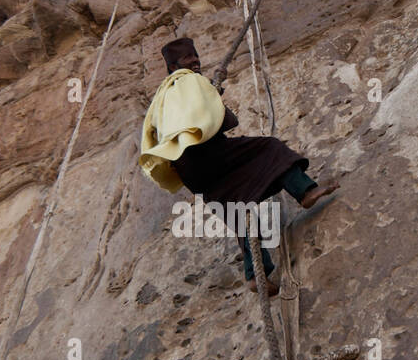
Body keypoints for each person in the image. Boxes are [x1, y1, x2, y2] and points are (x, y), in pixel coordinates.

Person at [139, 36, 338, 293]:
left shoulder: (162, 98)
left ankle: (256, 275)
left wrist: (212, 94)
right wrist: (214, 96)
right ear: (176, 65)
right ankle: (305, 190)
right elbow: (223, 120)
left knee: (237, 210)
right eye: (189, 58)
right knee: (270, 148)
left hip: (190, 171)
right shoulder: (188, 80)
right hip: (205, 153)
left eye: (195, 56)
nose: (195, 61)